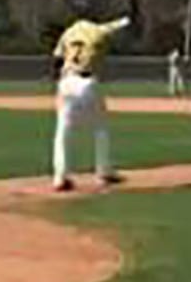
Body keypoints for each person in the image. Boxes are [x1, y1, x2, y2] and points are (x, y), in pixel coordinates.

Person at [51, 13, 131, 192]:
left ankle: (60, 177)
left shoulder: (69, 32)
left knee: (63, 130)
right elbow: (112, 27)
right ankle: (104, 170)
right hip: (87, 81)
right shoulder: (96, 30)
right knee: (100, 127)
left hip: (66, 81)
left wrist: (57, 80)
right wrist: (127, 20)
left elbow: (56, 59)